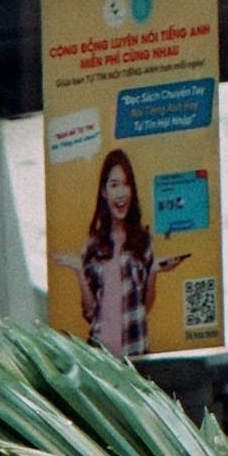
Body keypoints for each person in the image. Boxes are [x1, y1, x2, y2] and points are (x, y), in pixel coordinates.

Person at [77, 145, 153, 360]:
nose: (121, 192)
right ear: (104, 191)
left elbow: (145, 306)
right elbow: (90, 312)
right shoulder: (92, 245)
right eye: (114, 185)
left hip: (135, 351)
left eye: (126, 184)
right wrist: (78, 271)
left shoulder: (143, 240)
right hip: (98, 359)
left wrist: (154, 270)